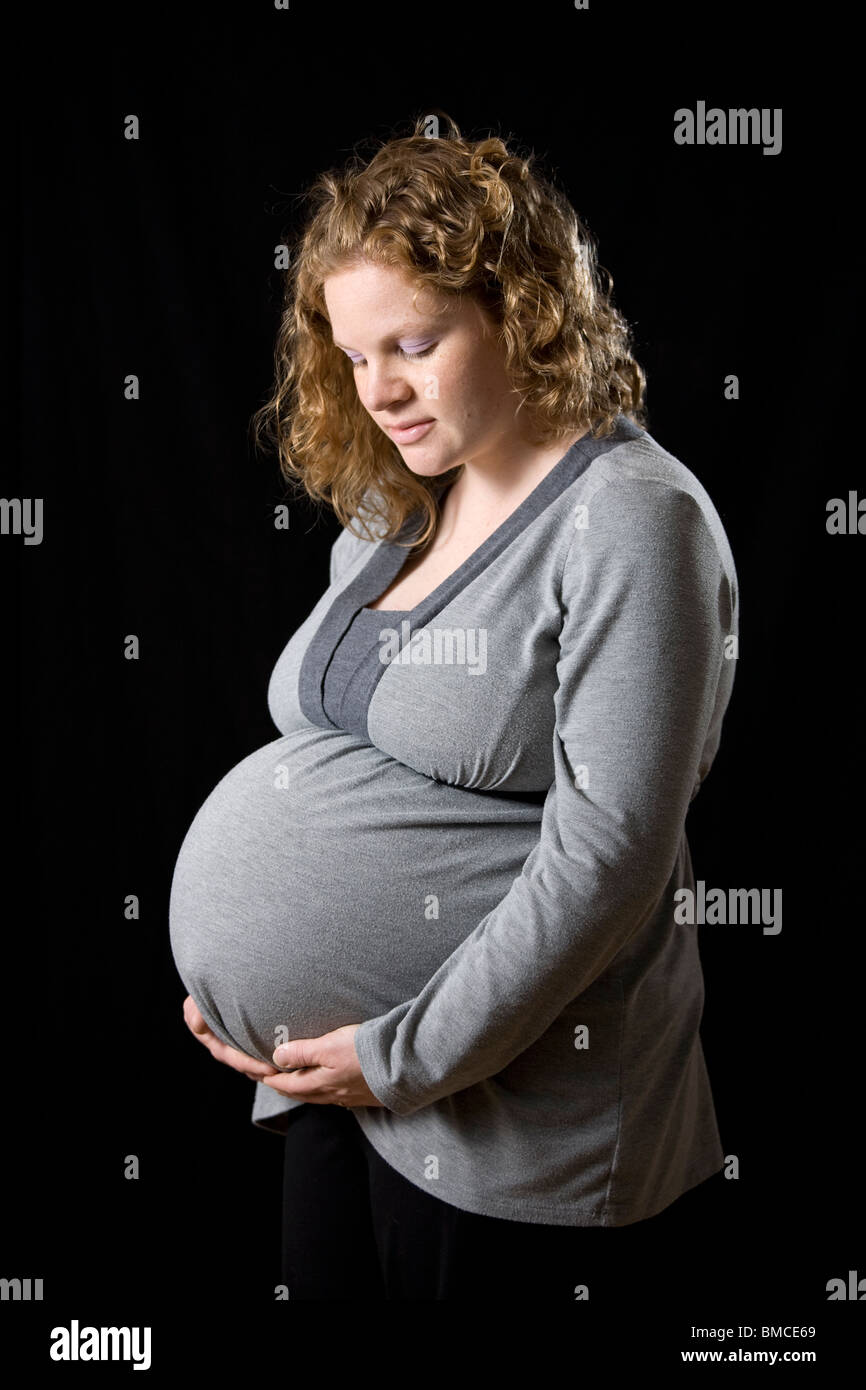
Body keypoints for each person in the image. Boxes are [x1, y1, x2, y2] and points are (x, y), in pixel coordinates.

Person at [178, 112, 739, 1301]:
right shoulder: (397, 508)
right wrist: (269, 999)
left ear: (520, 312)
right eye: (353, 354)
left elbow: (610, 857)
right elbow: (341, 772)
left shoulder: (632, 518)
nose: (378, 389)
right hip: (337, 1096)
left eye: (414, 344)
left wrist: (397, 1055)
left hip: (523, 1135)